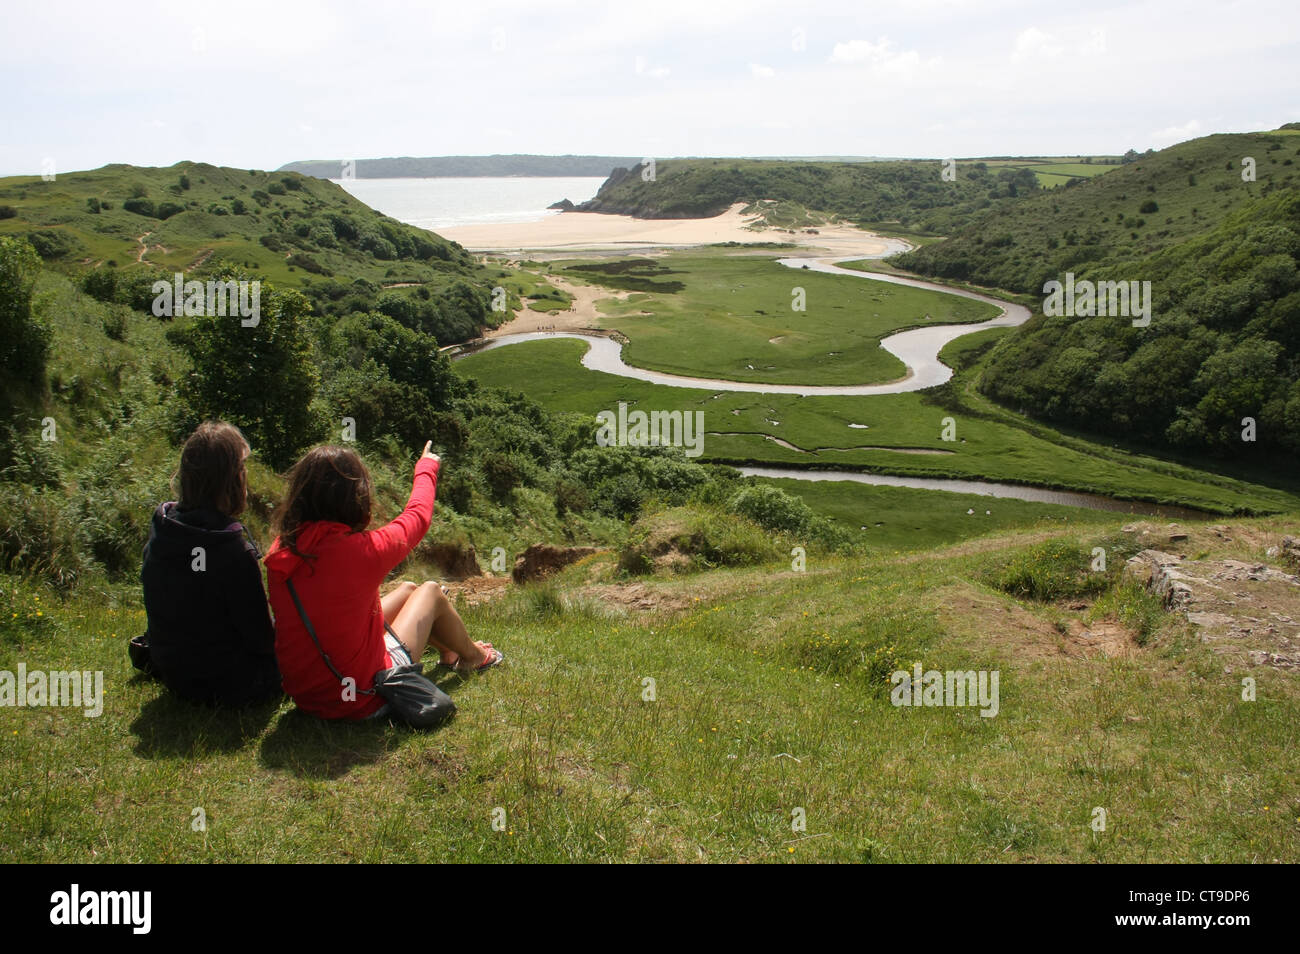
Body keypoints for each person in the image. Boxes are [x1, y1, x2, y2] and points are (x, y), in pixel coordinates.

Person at [264, 441, 501, 721]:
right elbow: (418, 516)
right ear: (354, 498)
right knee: (431, 592)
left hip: (307, 696)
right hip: (362, 696)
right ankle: (474, 657)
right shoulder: (363, 550)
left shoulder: (281, 550)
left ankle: (450, 652)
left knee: (408, 590)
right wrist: (427, 467)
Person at [139, 421, 281, 706]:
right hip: (233, 683)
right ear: (233, 479)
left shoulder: (163, 530)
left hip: (175, 674)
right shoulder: (233, 551)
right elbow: (262, 641)